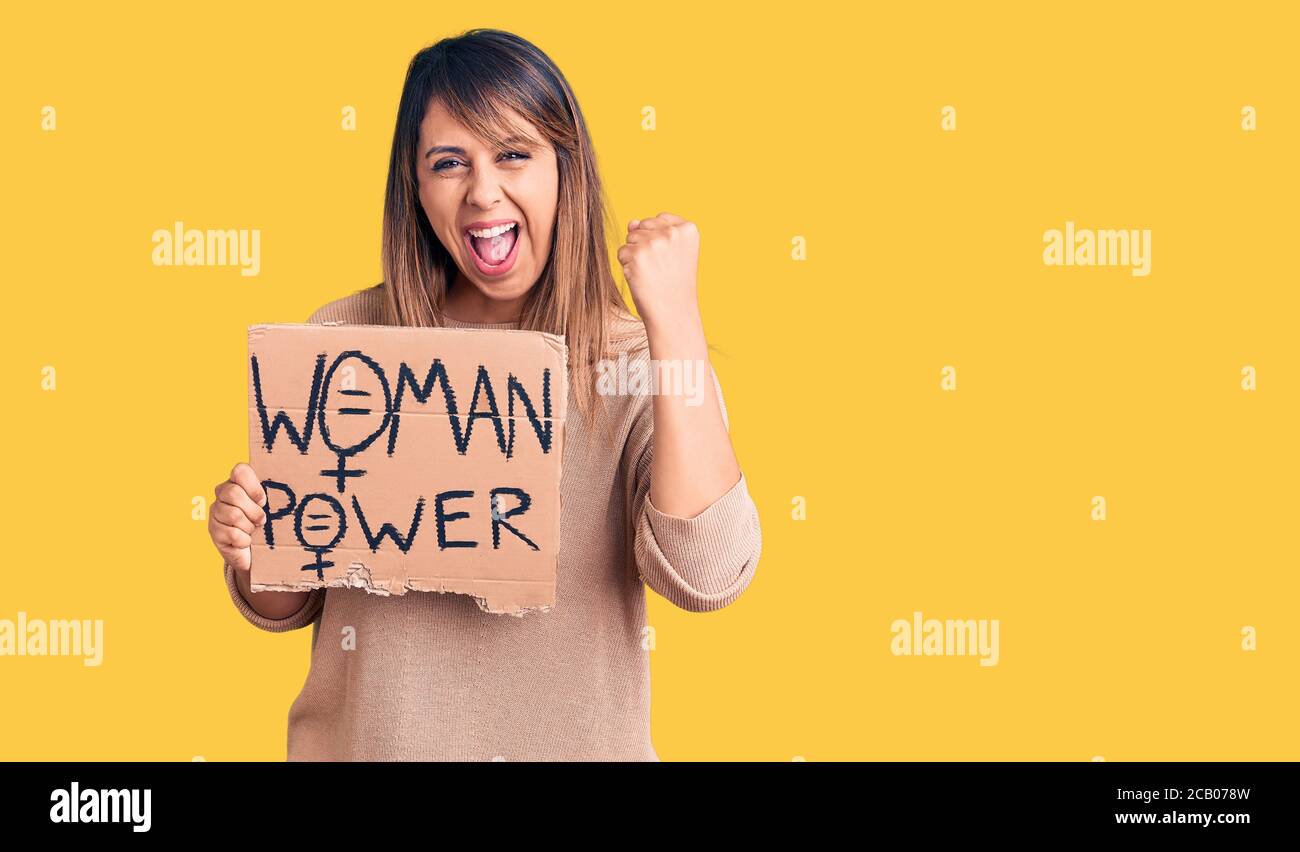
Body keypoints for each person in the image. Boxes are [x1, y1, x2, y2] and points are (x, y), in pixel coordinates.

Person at [209, 28, 761, 760]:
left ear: (566, 169)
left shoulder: (639, 362)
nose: (483, 192)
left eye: (513, 154)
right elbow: (294, 600)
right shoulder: (346, 341)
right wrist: (253, 550)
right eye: (449, 163)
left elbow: (709, 574)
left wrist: (678, 325)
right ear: (415, 184)